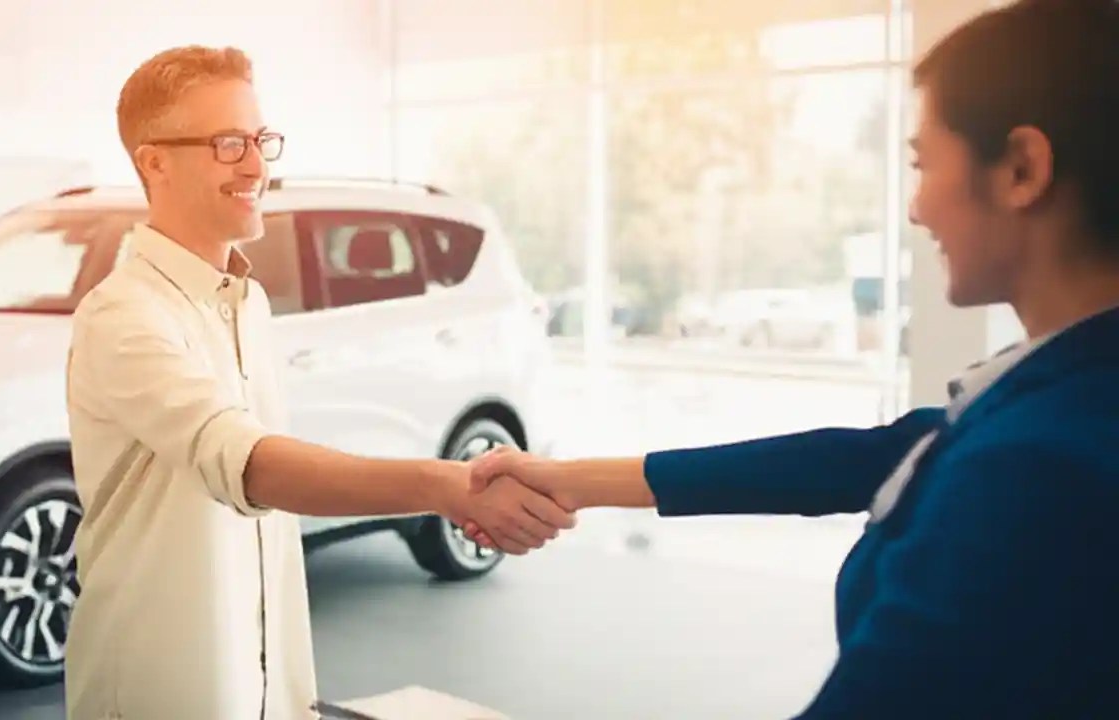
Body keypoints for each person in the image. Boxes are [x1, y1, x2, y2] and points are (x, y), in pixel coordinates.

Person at [468, 1, 1119, 717]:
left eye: (924, 164)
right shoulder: (1067, 398)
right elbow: (855, 459)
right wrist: (570, 481)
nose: (917, 209)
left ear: (1021, 169)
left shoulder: (1035, 466)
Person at [63, 46, 574, 720]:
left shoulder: (245, 302)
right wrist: (442, 485)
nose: (257, 165)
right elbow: (247, 464)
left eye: (259, 140)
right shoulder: (124, 317)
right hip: (159, 687)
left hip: (259, 684)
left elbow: (263, 527)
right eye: (227, 143)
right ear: (153, 160)